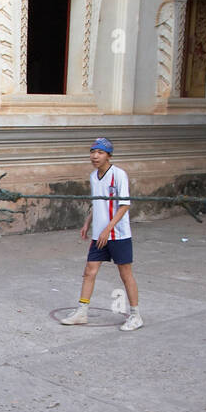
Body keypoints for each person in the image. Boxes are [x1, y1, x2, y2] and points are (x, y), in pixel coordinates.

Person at [59, 138, 143, 331]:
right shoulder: (93, 176)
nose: (95, 156)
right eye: (92, 152)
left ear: (109, 155)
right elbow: (97, 204)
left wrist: (108, 229)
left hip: (118, 235)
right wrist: (87, 222)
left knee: (125, 274)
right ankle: (82, 311)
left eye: (100, 152)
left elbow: (125, 205)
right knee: (89, 270)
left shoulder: (119, 175)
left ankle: (136, 315)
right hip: (99, 235)